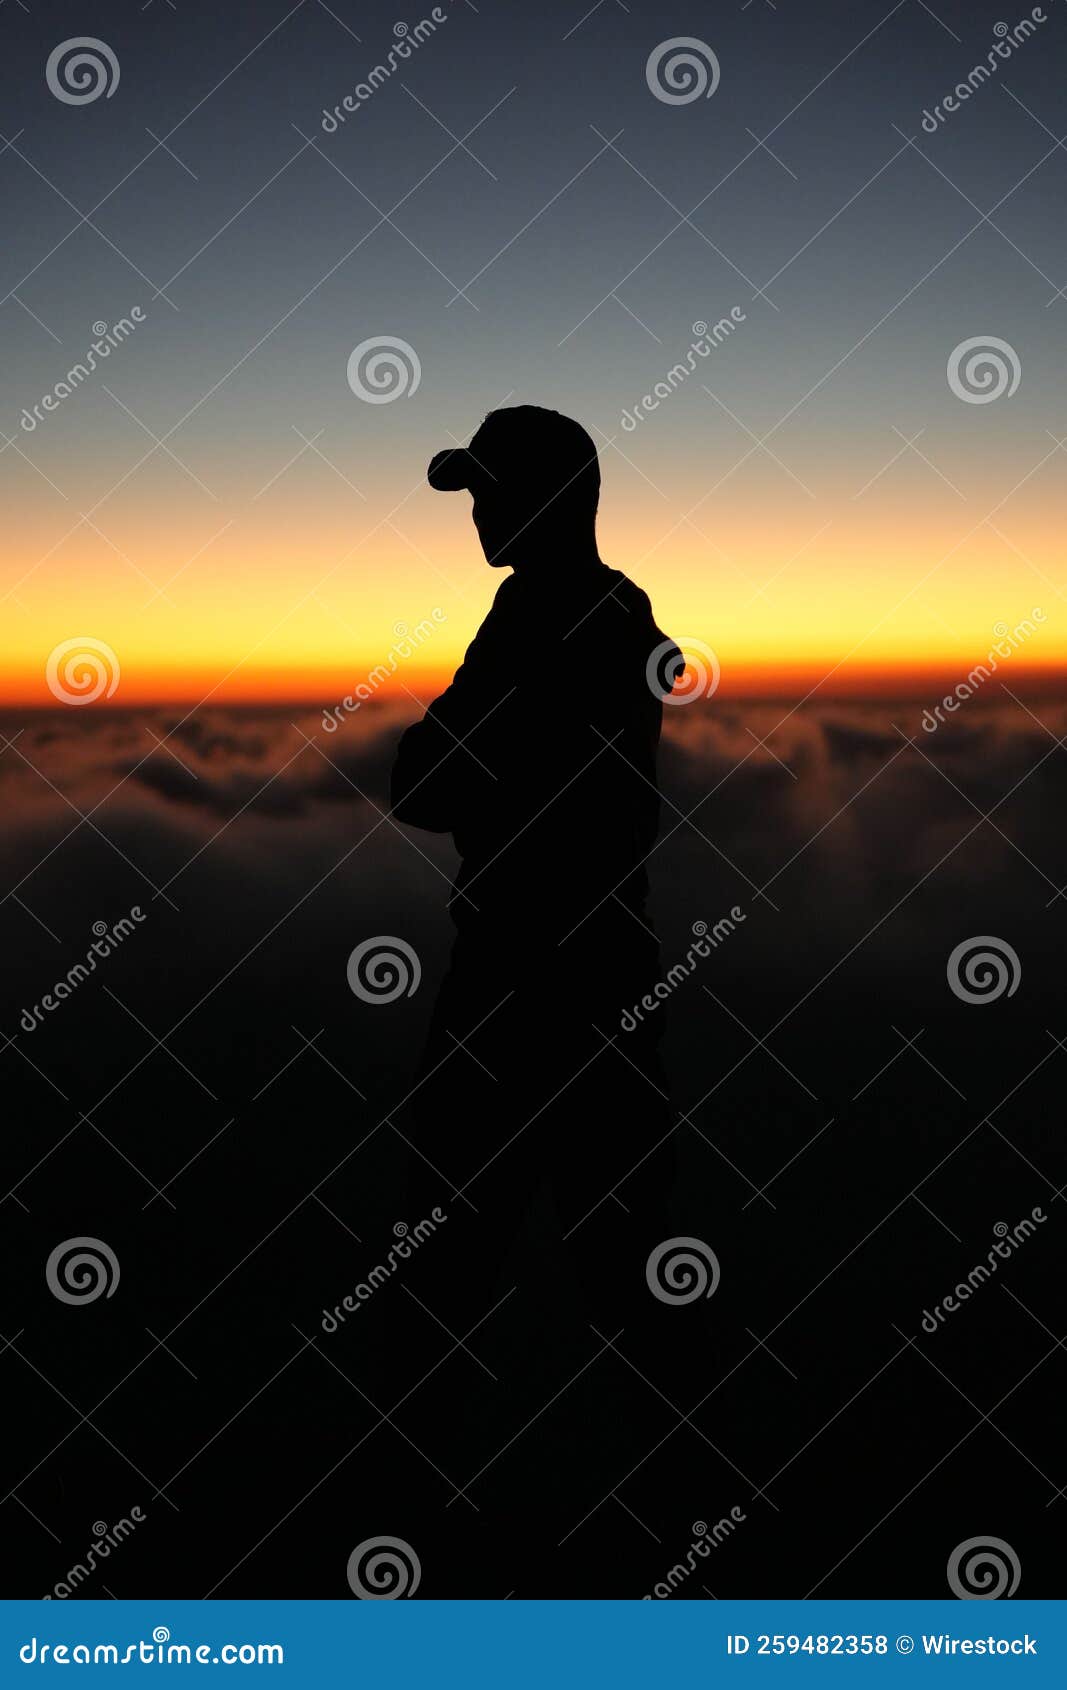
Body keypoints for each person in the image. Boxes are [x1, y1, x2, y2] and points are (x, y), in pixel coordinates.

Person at [391, 405, 682, 1325]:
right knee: (628, 1260)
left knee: (442, 1267)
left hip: (519, 987)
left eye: (490, 492)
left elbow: (424, 786)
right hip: (606, 971)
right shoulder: (615, 608)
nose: (475, 512)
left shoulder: (540, 621)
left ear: (549, 502)